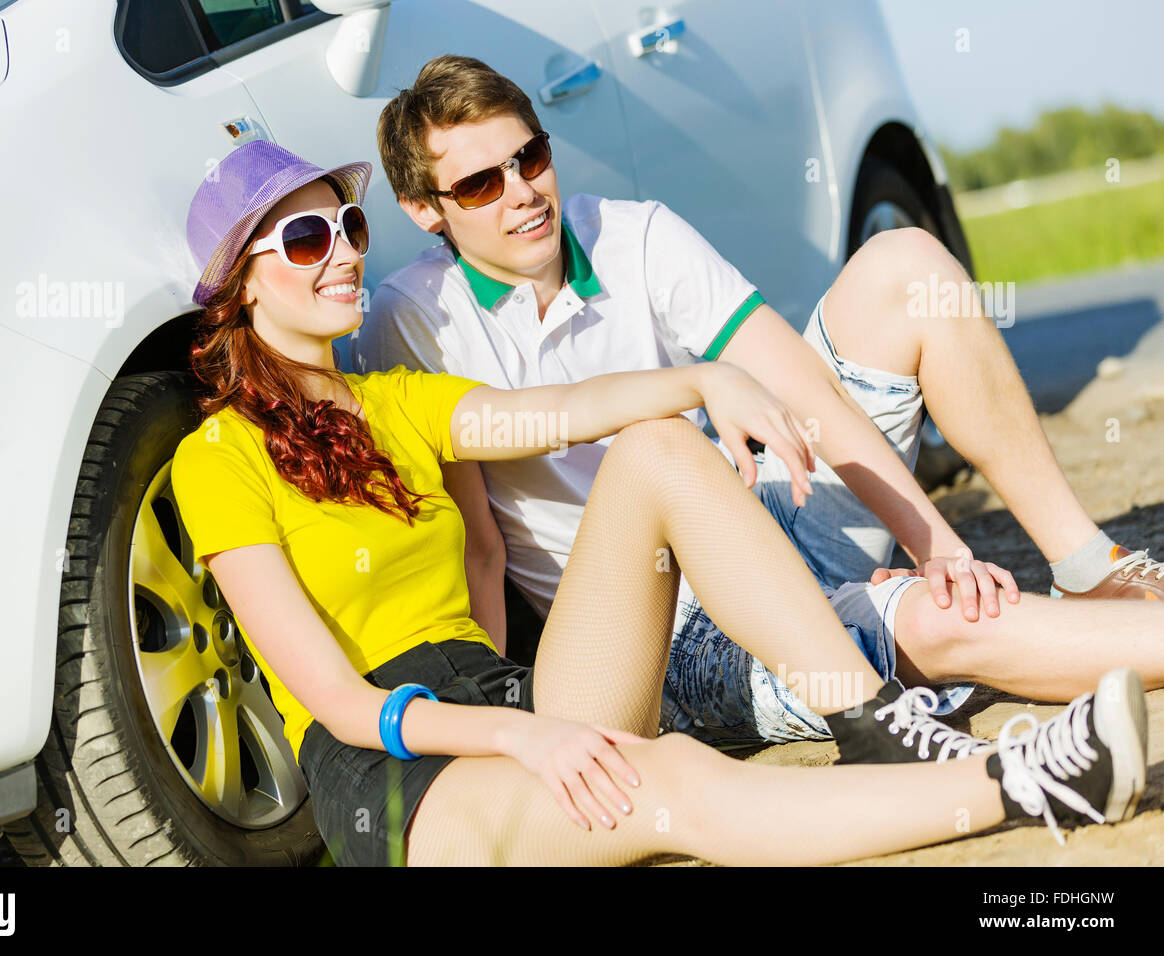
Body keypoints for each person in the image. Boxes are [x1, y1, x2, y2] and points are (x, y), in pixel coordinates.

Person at [170, 139, 1148, 866]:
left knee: (654, 449)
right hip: (400, 767)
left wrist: (703, 381)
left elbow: (562, 410)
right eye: (305, 236)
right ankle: (1036, 778)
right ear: (240, 284)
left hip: (512, 693)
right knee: (669, 784)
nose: (341, 251)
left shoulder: (396, 401)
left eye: (347, 225)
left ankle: (869, 718)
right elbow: (338, 702)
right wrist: (523, 732)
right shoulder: (214, 459)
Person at [355, 55, 1164, 749]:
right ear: (425, 210)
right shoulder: (412, 319)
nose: (522, 192)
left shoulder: (632, 233)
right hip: (670, 624)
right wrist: (504, 735)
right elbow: (478, 549)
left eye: (530, 157)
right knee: (934, 623)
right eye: (481, 183)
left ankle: (1087, 566)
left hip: (763, 505)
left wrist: (937, 546)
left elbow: (800, 385)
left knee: (907, 264)